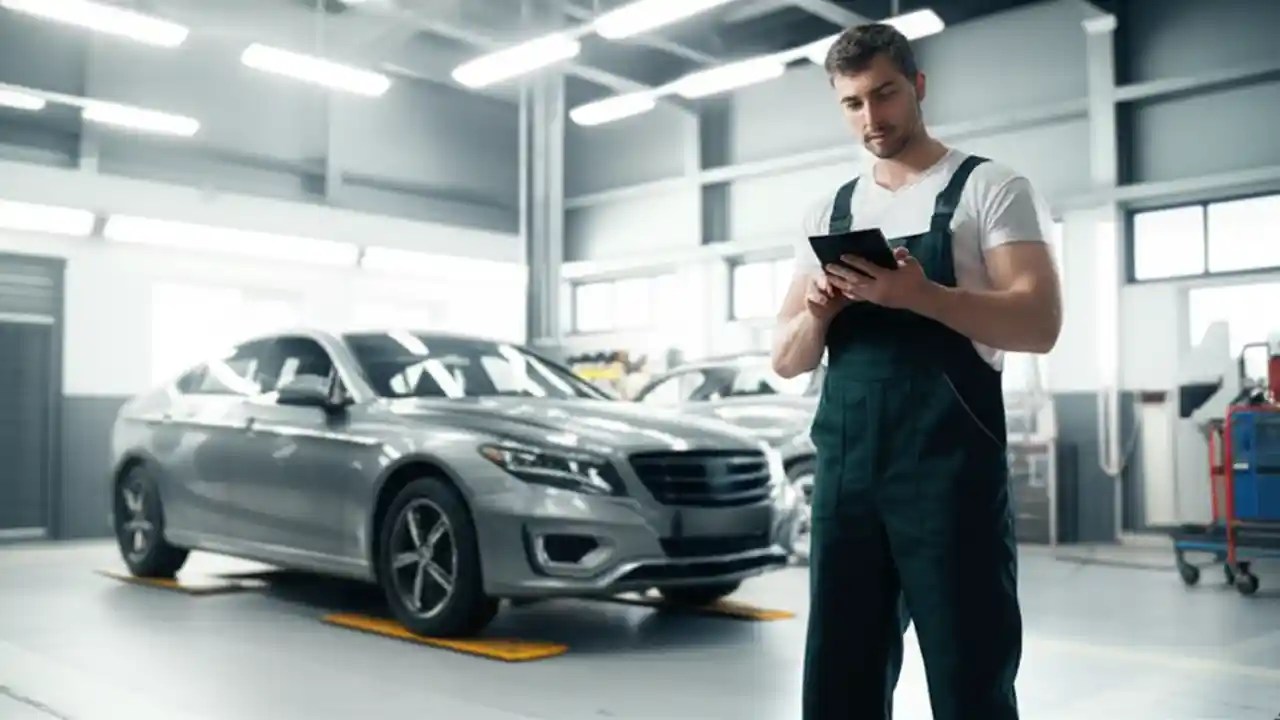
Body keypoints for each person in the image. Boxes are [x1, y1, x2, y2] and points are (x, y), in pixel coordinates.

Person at [771, 22, 1063, 720]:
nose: (872, 118)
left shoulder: (989, 187)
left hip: (950, 477)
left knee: (970, 678)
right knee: (840, 679)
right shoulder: (830, 211)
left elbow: (1040, 324)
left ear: (918, 87)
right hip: (847, 481)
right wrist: (820, 312)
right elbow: (786, 359)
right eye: (852, 103)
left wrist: (920, 295)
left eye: (885, 94)